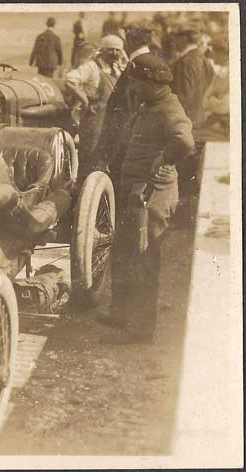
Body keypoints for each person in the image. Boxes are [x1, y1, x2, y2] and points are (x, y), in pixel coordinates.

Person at [100, 54, 195, 345]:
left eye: (138, 83)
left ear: (151, 83)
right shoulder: (150, 105)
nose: (134, 88)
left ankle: (140, 329)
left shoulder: (168, 109)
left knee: (143, 257)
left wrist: (164, 159)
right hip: (136, 193)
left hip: (152, 195)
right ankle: (122, 312)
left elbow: (185, 141)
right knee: (126, 250)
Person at [91, 23, 154, 181]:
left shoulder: (136, 65)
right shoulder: (148, 61)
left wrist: (107, 154)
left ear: (131, 42)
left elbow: (124, 113)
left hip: (123, 145)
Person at [169, 26, 215, 219]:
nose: (173, 41)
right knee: (192, 172)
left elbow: (184, 96)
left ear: (183, 38)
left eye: (176, 36)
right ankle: (188, 215)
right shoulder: (202, 59)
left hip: (187, 124)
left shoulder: (186, 62)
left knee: (185, 172)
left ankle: (183, 217)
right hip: (200, 121)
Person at [64, 35, 126, 178]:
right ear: (102, 50)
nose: (115, 54)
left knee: (109, 157)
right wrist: (84, 100)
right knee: (90, 155)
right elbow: (70, 80)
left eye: (118, 51)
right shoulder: (91, 67)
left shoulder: (118, 69)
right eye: (111, 50)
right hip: (95, 120)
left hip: (113, 120)